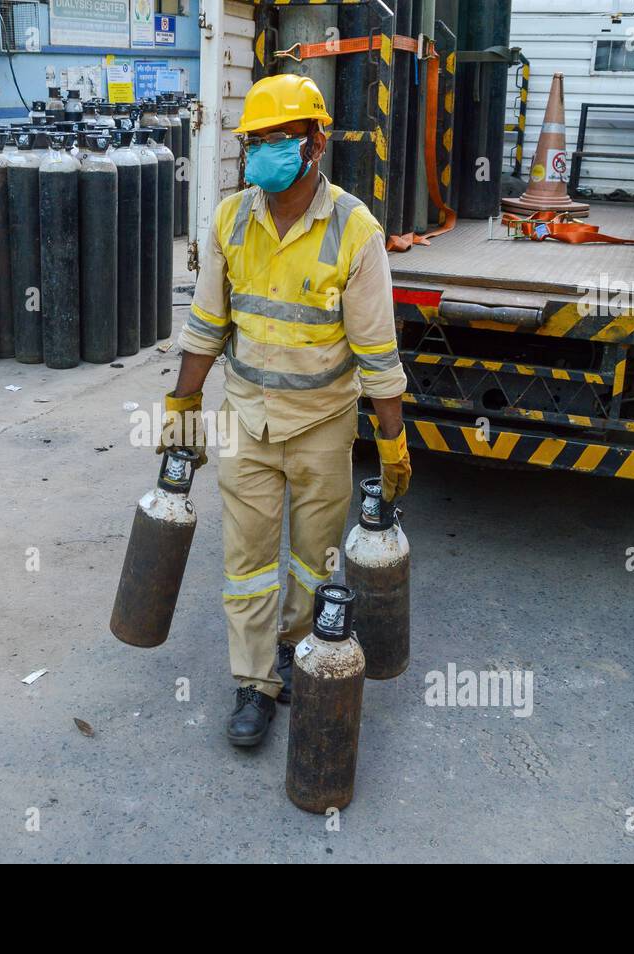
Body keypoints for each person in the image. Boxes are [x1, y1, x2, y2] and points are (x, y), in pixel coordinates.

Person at [160, 74, 412, 748]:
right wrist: (182, 408)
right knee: (246, 563)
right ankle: (253, 685)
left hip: (323, 425)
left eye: (278, 138)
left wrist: (392, 444)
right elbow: (206, 327)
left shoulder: (354, 230)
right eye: (255, 141)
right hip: (245, 419)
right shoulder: (231, 218)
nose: (263, 152)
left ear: (316, 143)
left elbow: (378, 354)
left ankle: (296, 652)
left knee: (312, 559)